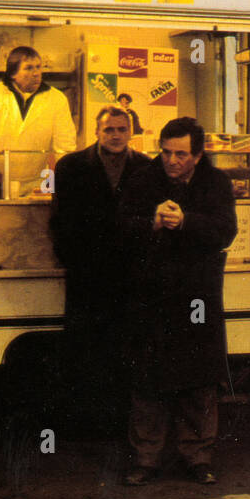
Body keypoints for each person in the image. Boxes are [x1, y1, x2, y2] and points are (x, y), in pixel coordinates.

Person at [125, 116, 237, 486]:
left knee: (199, 381)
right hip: (151, 294)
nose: (172, 161)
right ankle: (145, 460)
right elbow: (119, 227)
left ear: (198, 154)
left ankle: (198, 458)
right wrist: (152, 224)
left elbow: (226, 231)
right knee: (148, 381)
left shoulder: (216, 183)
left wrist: (186, 221)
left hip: (197, 295)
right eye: (166, 152)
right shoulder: (143, 180)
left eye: (181, 154)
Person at [49, 106, 154, 426]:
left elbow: (152, 222)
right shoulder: (70, 166)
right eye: (109, 129)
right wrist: (74, 262)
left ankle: (121, 423)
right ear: (96, 132)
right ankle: (85, 423)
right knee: (86, 348)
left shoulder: (148, 168)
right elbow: (58, 221)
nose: (116, 135)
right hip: (87, 276)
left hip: (131, 277)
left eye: (122, 129)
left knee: (128, 349)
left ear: (131, 132)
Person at [0, 46, 76, 193]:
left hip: (36, 184)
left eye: (38, 67)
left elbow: (65, 146)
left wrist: (70, 183)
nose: (36, 73)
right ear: (13, 73)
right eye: (29, 68)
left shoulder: (57, 99)